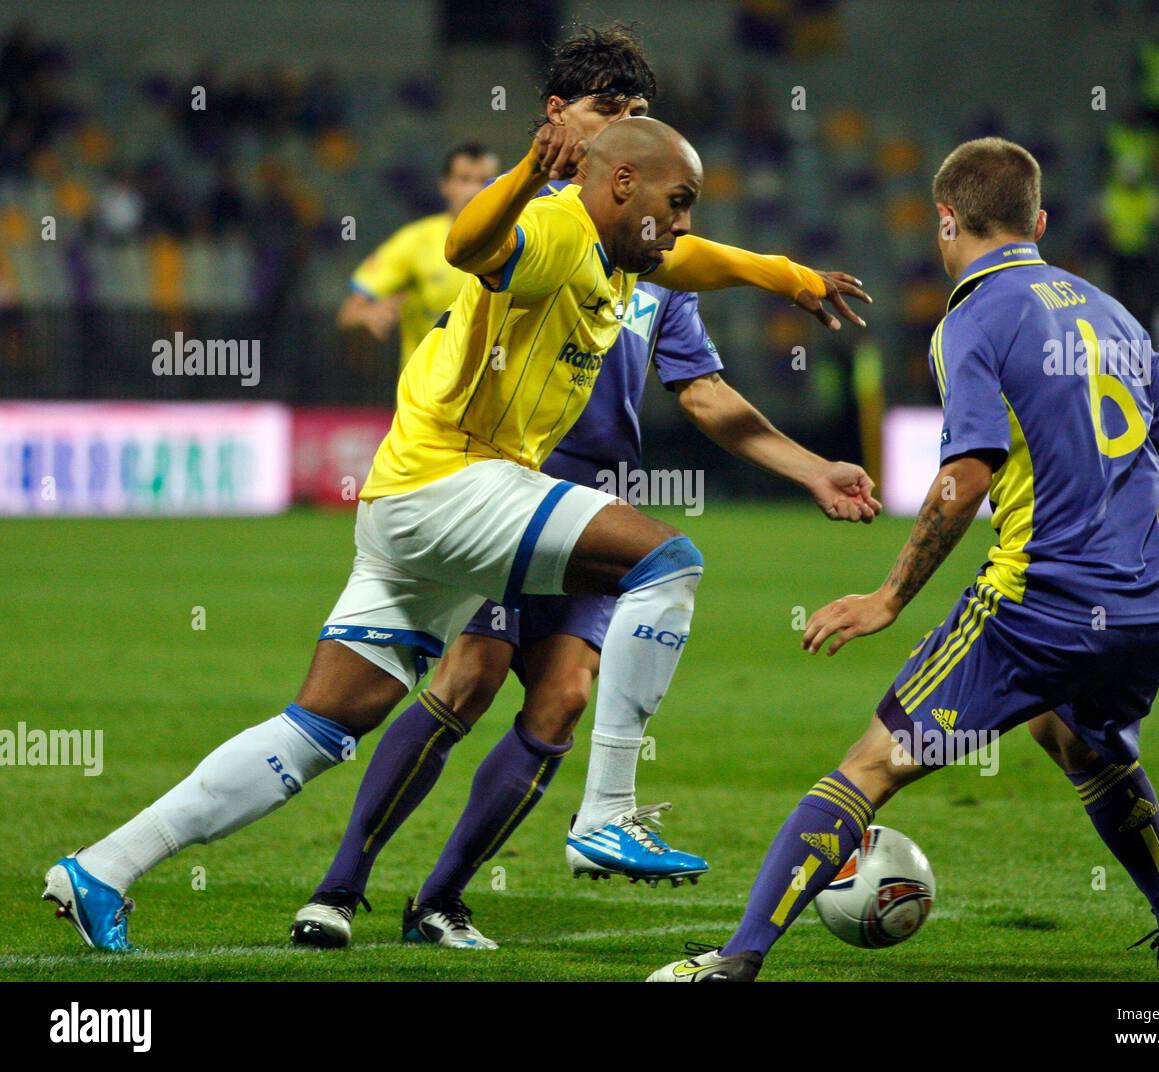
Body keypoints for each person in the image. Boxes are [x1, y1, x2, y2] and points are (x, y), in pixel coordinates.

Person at [44, 115, 875, 952]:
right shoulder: (556, 228)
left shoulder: (627, 254)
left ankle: (104, 867)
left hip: (406, 499)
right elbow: (470, 248)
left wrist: (784, 274)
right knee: (668, 562)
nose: (690, 222)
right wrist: (519, 173)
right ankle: (608, 810)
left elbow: (692, 258)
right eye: (682, 200)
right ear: (621, 184)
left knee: (317, 730)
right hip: (459, 479)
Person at [290, 23, 879, 953]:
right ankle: (338, 887)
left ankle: (439, 901)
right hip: (507, 482)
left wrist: (812, 467)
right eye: (610, 109)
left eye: (640, 113)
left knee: (561, 696)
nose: (626, 129)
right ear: (561, 116)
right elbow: (469, 247)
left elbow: (708, 394)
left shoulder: (653, 252)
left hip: (599, 501)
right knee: (471, 674)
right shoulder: (539, 226)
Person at [650, 137, 1159, 983]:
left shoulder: (973, 319)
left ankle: (736, 963)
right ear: (1038, 221)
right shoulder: (1113, 312)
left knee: (868, 767)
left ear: (945, 222)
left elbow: (967, 473)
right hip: (1153, 609)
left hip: (1045, 605)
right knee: (1079, 737)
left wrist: (889, 595)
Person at [337, 142, 499, 372]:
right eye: (464, 180)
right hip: (425, 398)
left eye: (484, 181)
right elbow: (349, 313)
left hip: (492, 394)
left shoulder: (521, 240)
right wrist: (369, 315)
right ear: (445, 186)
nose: (473, 191)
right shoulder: (414, 242)